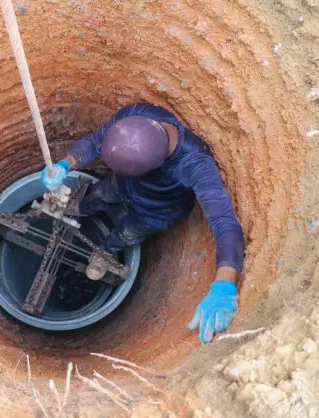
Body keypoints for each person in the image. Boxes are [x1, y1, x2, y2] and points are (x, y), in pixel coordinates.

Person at [40, 103, 245, 343]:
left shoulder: (195, 164)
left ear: (154, 167)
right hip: (121, 185)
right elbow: (94, 142)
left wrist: (224, 283)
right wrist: (66, 164)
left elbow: (224, 222)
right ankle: (80, 207)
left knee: (126, 234)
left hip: (154, 212)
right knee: (98, 196)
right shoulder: (134, 116)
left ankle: (106, 251)